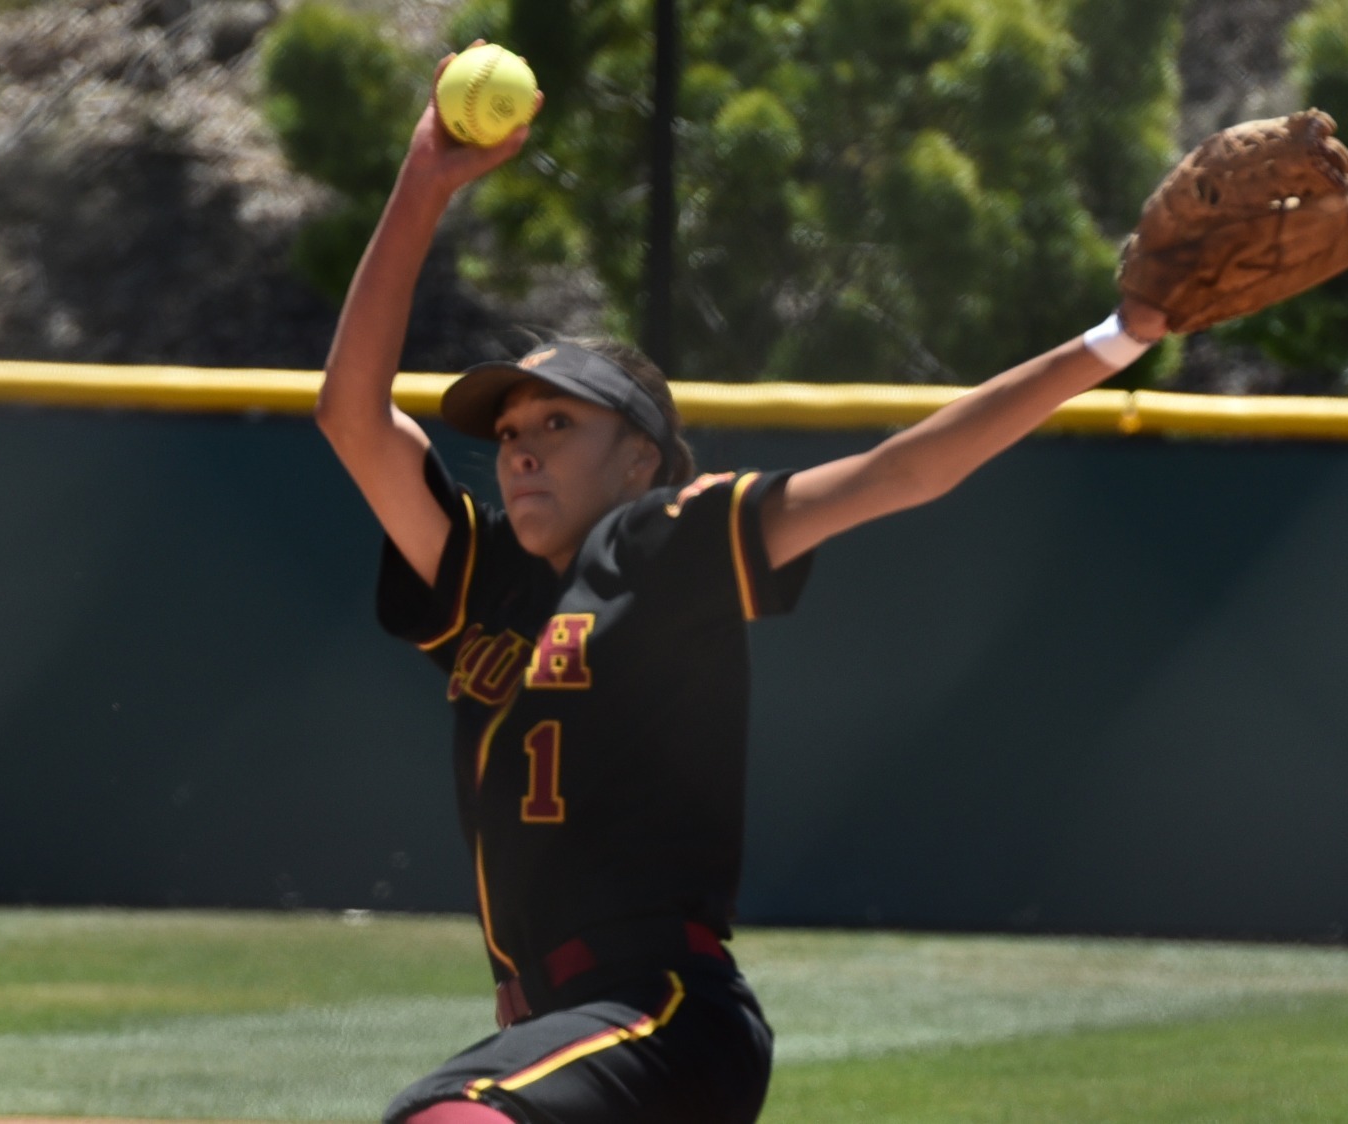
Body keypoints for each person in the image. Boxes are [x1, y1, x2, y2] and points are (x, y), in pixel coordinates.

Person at [315, 47, 1171, 1124]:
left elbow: (901, 469)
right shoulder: (475, 577)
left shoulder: (657, 546)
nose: (519, 447)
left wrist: (1117, 337)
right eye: (512, 430)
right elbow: (352, 416)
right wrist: (423, 183)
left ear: (641, 461)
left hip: (663, 1008)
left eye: (558, 423)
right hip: (567, 1020)